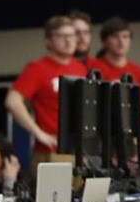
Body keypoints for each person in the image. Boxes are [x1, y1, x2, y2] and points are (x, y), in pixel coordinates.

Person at [6, 15, 83, 157]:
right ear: (48, 40)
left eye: (72, 35)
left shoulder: (80, 68)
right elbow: (13, 101)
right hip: (50, 149)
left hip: (80, 149)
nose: (68, 40)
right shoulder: (37, 68)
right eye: (62, 36)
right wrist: (39, 133)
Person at [87, 15, 140, 164]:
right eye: (116, 37)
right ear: (105, 40)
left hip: (131, 138)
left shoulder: (139, 72)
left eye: (125, 37)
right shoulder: (93, 67)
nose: (121, 42)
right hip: (101, 137)